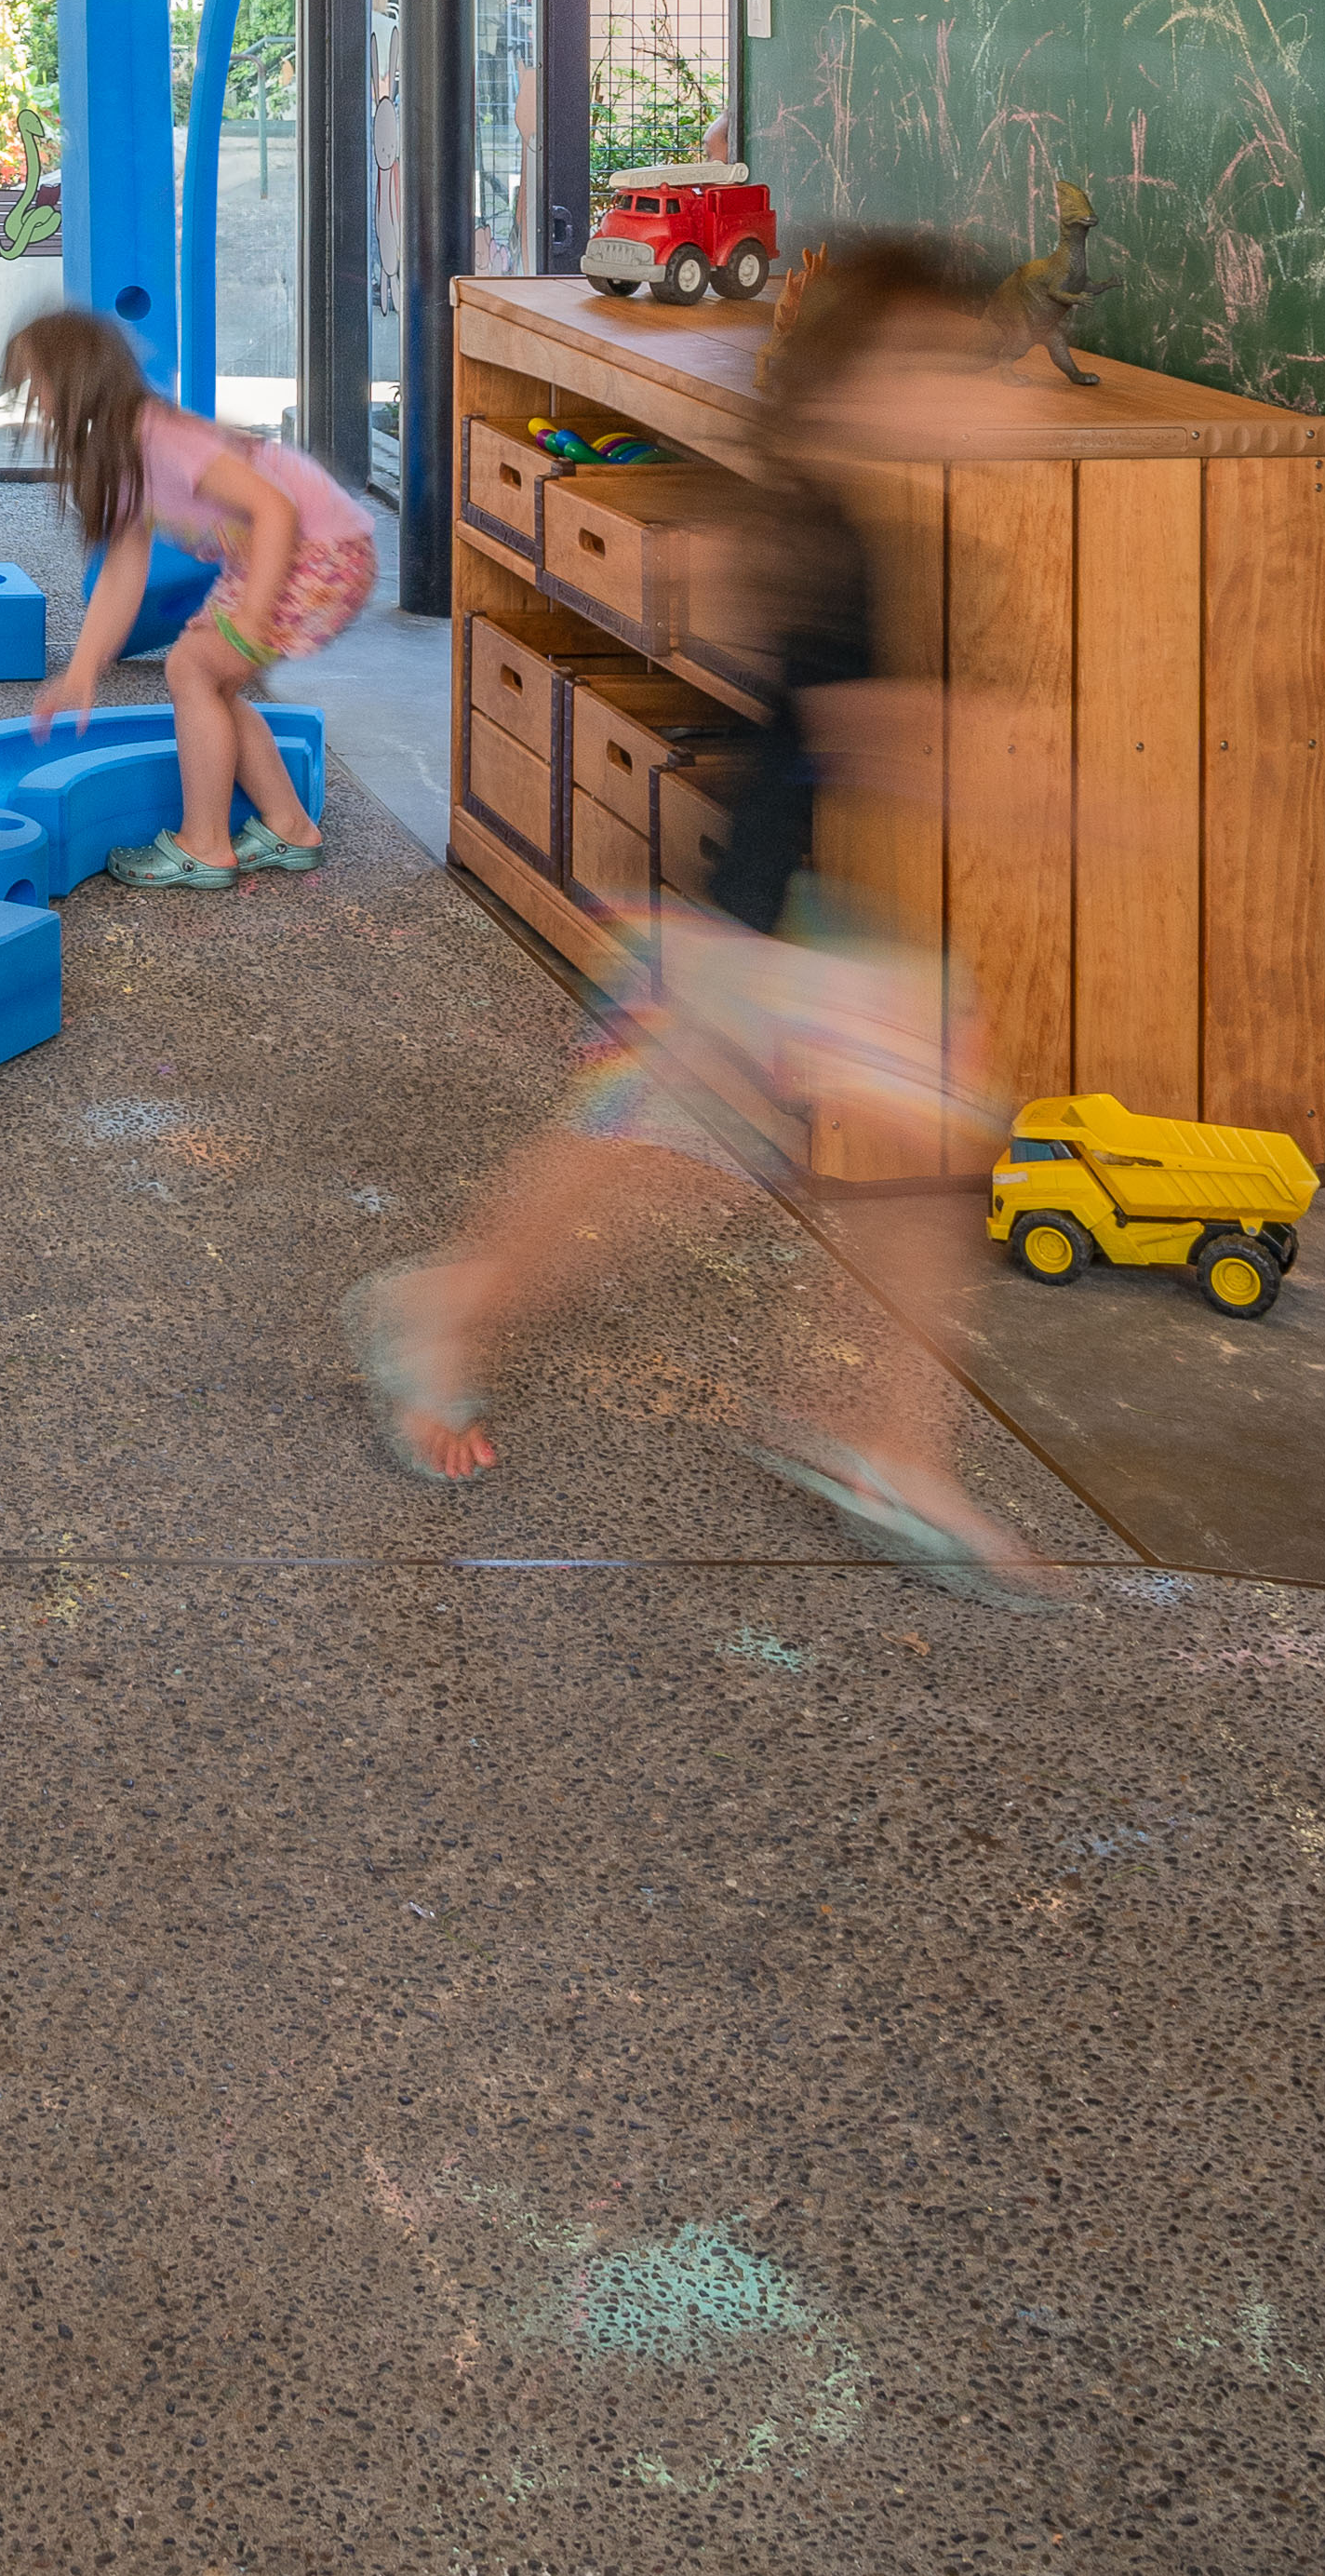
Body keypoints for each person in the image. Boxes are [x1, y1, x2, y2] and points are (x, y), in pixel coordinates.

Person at [343, 232, 1034, 1601]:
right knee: (669, 1167)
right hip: (759, 936)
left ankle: (881, 1436)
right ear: (859, 385)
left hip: (794, 924)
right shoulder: (833, 533)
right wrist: (1054, 788)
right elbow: (866, 730)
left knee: (885, 1157)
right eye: (943, 368)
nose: (972, 392)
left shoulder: (842, 508)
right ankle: (445, 1308)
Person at [0, 305, 372, 890]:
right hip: (289, 550)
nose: (34, 402)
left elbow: (276, 507)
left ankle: (203, 844)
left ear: (73, 379)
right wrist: (81, 671)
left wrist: (251, 617)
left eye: (36, 384)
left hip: (320, 547)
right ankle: (289, 825)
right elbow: (122, 571)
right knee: (209, 679)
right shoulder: (122, 455)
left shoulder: (160, 436)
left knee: (192, 668)